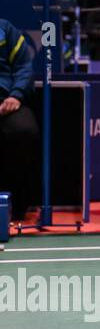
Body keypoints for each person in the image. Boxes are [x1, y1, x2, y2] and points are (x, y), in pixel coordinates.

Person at [0, 18, 39, 228]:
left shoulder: (6, 29)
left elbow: (24, 67)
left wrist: (16, 95)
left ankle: (18, 205)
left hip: (8, 103)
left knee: (24, 131)